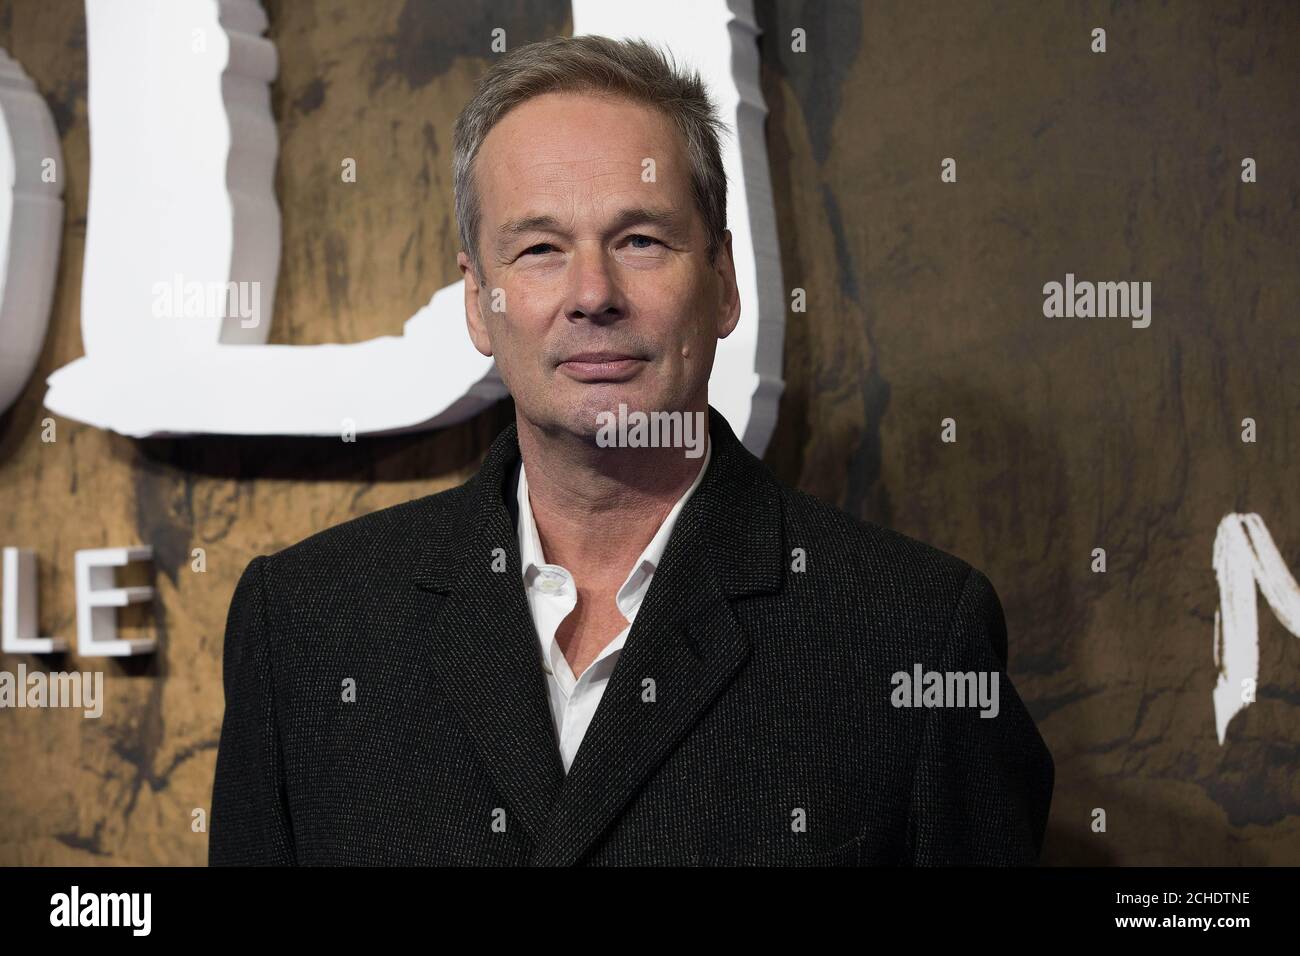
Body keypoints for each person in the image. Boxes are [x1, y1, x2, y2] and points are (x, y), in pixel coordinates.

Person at [209, 34, 1053, 866]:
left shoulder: (912, 633)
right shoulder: (306, 627)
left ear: (723, 281)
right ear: (478, 302)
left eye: (640, 240)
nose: (592, 296)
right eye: (539, 248)